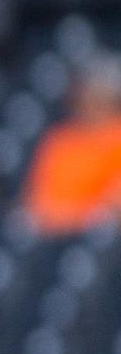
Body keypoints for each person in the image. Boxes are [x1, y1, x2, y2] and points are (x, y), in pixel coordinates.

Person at [23, 57, 121, 235]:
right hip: (52, 232)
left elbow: (114, 204)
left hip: (102, 235)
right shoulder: (58, 140)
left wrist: (78, 217)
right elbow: (37, 202)